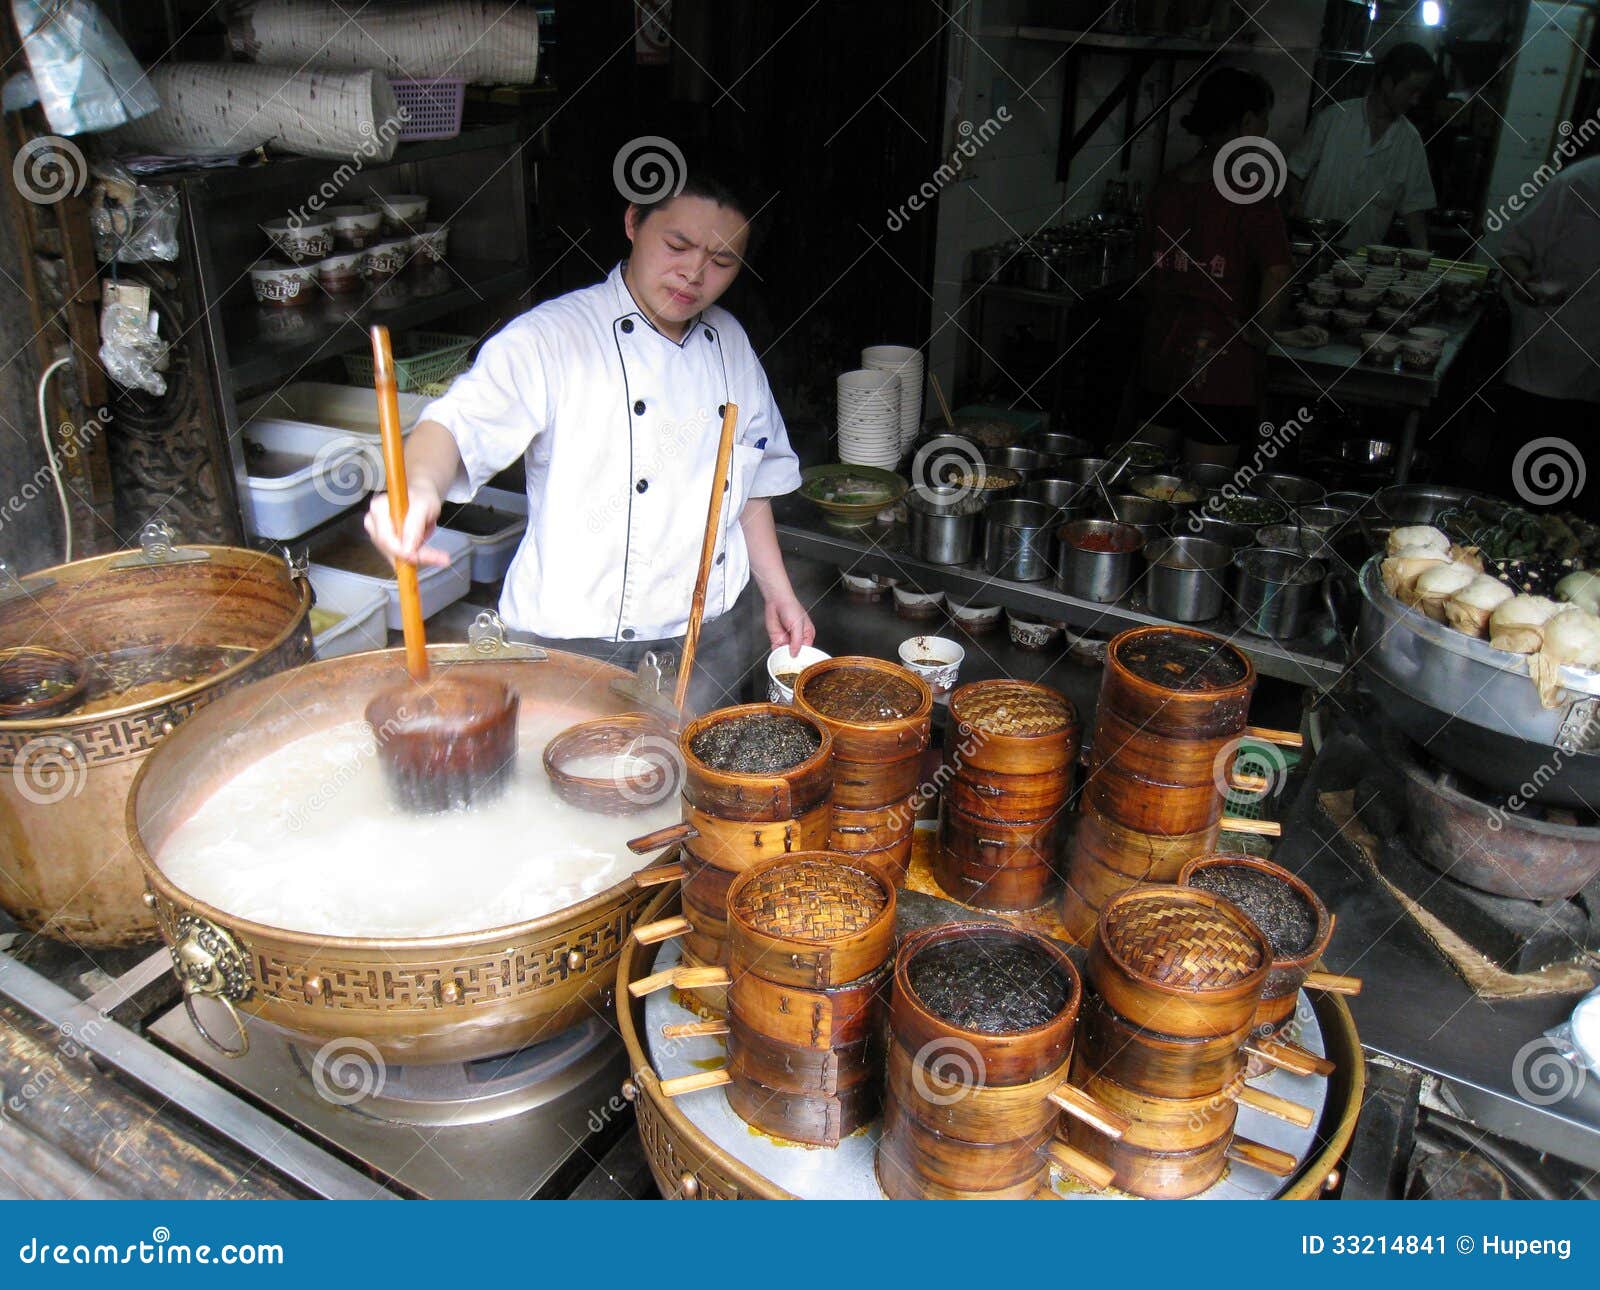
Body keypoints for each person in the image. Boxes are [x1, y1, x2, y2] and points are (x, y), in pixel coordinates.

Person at [364, 168, 816, 714]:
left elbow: (750, 483)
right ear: (633, 222)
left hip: (705, 642)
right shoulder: (552, 337)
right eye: (677, 244)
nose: (694, 273)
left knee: (689, 794)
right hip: (568, 650)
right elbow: (454, 427)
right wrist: (415, 488)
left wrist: (780, 593)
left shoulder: (731, 344)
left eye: (721, 261)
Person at [1134, 68, 1306, 456]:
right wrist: (1261, 336)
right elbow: (1277, 270)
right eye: (1263, 118)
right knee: (1205, 495)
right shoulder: (1250, 193)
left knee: (1146, 490)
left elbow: (1144, 273)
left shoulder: (1167, 185)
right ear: (1245, 120)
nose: (1265, 128)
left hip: (1159, 361)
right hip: (1222, 371)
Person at [1492, 153, 1600, 517]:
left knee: (1575, 503)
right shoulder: (1576, 184)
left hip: (1592, 381)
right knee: (1522, 489)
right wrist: (1530, 287)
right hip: (1543, 368)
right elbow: (1512, 252)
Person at [1288, 42, 1438, 251]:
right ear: (1387, 82)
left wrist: (1422, 258)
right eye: (1411, 91)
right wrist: (1296, 207)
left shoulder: (1410, 141)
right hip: (1307, 249)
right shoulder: (1334, 118)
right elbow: (1295, 170)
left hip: (1359, 262)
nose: (1415, 100)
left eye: (1420, 93)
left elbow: (1415, 207)